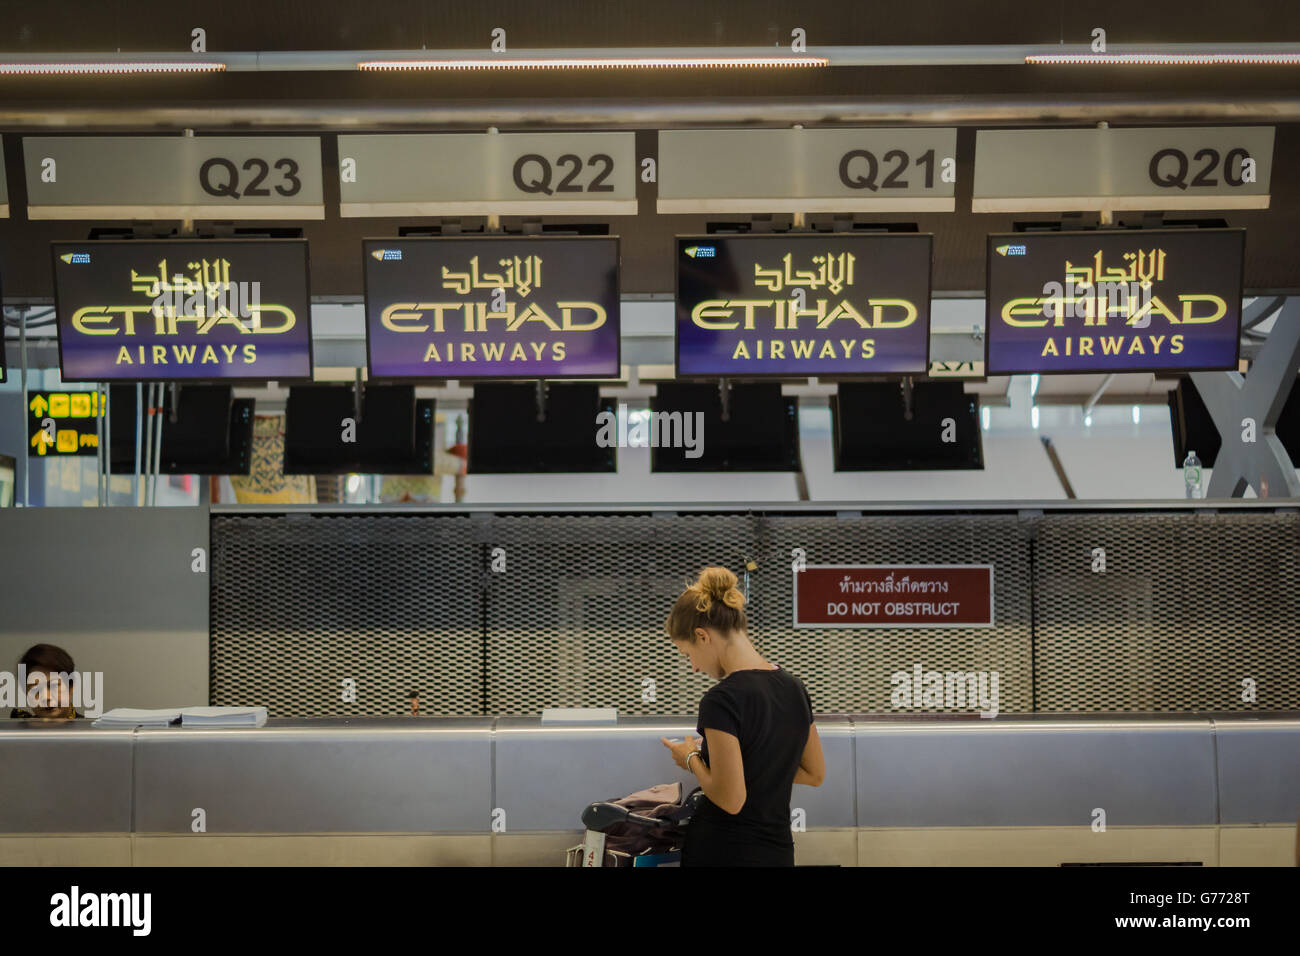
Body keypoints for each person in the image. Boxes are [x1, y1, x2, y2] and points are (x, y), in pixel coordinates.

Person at [660, 567, 825, 866]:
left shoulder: (721, 700)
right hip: (777, 852)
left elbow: (731, 799)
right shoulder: (794, 688)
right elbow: (815, 774)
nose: (694, 667)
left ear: (702, 635)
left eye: (687, 655)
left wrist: (690, 759)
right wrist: (749, 769)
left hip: (723, 849)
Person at [9, 644, 80, 720]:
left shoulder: (90, 730)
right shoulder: (16, 731)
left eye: (54, 686)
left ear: (71, 687)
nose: (46, 697)